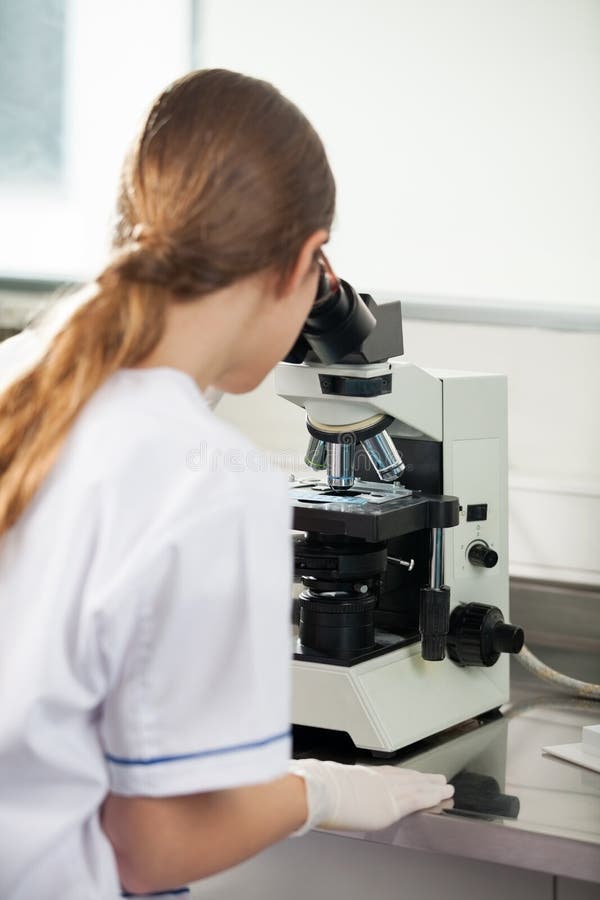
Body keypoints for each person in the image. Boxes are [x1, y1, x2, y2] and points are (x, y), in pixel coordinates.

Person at [0, 69, 453, 899]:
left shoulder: (21, 381)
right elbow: (153, 848)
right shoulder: (207, 484)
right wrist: (316, 792)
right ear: (305, 261)